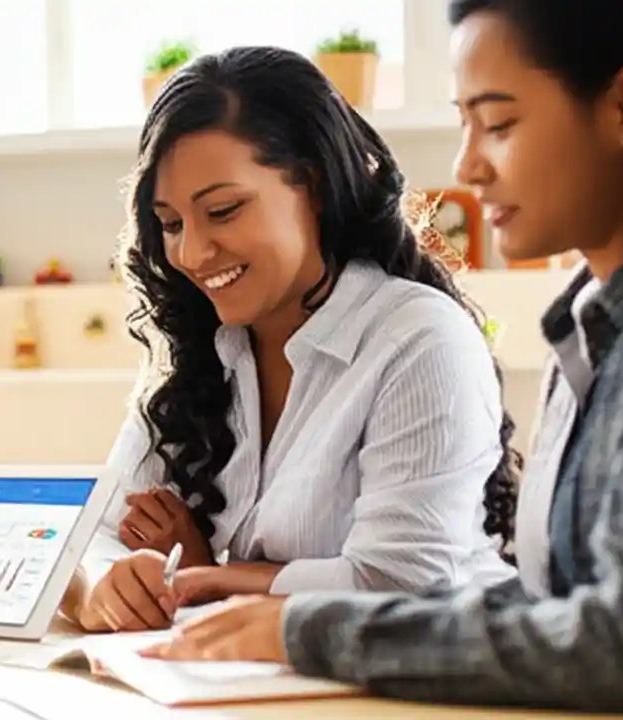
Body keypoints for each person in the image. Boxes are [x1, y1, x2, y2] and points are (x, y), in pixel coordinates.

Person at [143, 0, 623, 711]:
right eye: (464, 123)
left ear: (621, 105)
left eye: (498, 124)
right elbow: (543, 607)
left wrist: (293, 621)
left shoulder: (422, 335)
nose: (468, 166)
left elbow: (608, 643)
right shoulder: (582, 336)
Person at [65, 44, 520, 633]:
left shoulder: (418, 341)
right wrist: (103, 585)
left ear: (315, 184)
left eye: (224, 211)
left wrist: (210, 576)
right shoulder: (202, 355)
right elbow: (94, 537)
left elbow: (402, 587)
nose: (191, 253)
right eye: (171, 223)